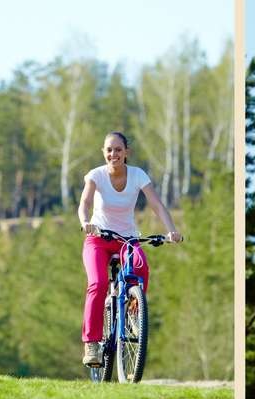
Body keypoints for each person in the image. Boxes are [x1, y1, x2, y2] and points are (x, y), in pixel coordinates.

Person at [77, 131, 183, 369]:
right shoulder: (96, 175)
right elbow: (84, 202)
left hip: (127, 239)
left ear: (126, 152)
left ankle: (134, 314)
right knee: (98, 283)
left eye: (118, 150)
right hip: (99, 238)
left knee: (140, 268)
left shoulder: (137, 176)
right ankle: (91, 343)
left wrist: (171, 230)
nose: (113, 154)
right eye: (109, 150)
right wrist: (86, 222)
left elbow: (156, 204)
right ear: (104, 152)